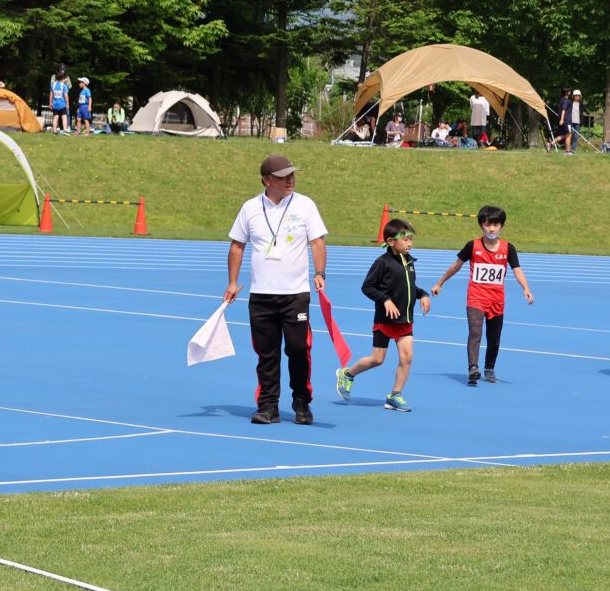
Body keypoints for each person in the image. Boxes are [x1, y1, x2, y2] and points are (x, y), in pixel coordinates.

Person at [224, 154, 328, 426]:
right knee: (266, 353)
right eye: (284, 177)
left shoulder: (305, 205)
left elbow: (317, 242)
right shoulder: (250, 208)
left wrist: (319, 273)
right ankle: (268, 405)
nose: (290, 180)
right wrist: (232, 283)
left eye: (292, 175)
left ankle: (301, 401)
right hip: (261, 295)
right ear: (267, 180)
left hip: (295, 294)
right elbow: (237, 246)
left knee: (297, 349)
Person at [430, 205, 534, 385]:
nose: (491, 229)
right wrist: (440, 282)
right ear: (481, 226)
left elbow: (517, 270)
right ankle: (473, 368)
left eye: (495, 225)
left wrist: (526, 287)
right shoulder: (473, 246)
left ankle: (489, 368)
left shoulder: (509, 248)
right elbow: (456, 265)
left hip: (497, 299)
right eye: (487, 225)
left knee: (494, 337)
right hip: (476, 297)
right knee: (475, 332)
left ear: (501, 226)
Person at [335, 219, 429, 412]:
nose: (410, 243)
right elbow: (367, 287)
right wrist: (385, 300)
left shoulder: (409, 261)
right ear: (391, 241)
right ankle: (347, 374)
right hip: (385, 320)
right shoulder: (382, 263)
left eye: (411, 239)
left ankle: (395, 396)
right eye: (405, 239)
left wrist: (423, 295)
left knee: (407, 357)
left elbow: (409, 287)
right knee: (377, 360)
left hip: (406, 320)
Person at [566, 89, 583, 153]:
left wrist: (581, 122)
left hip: (577, 122)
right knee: (569, 135)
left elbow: (581, 114)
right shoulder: (570, 103)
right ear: (573, 96)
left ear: (580, 97)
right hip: (571, 121)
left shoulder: (581, 105)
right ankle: (568, 148)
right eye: (576, 96)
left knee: (576, 136)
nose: (577, 97)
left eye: (578, 96)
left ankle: (574, 149)